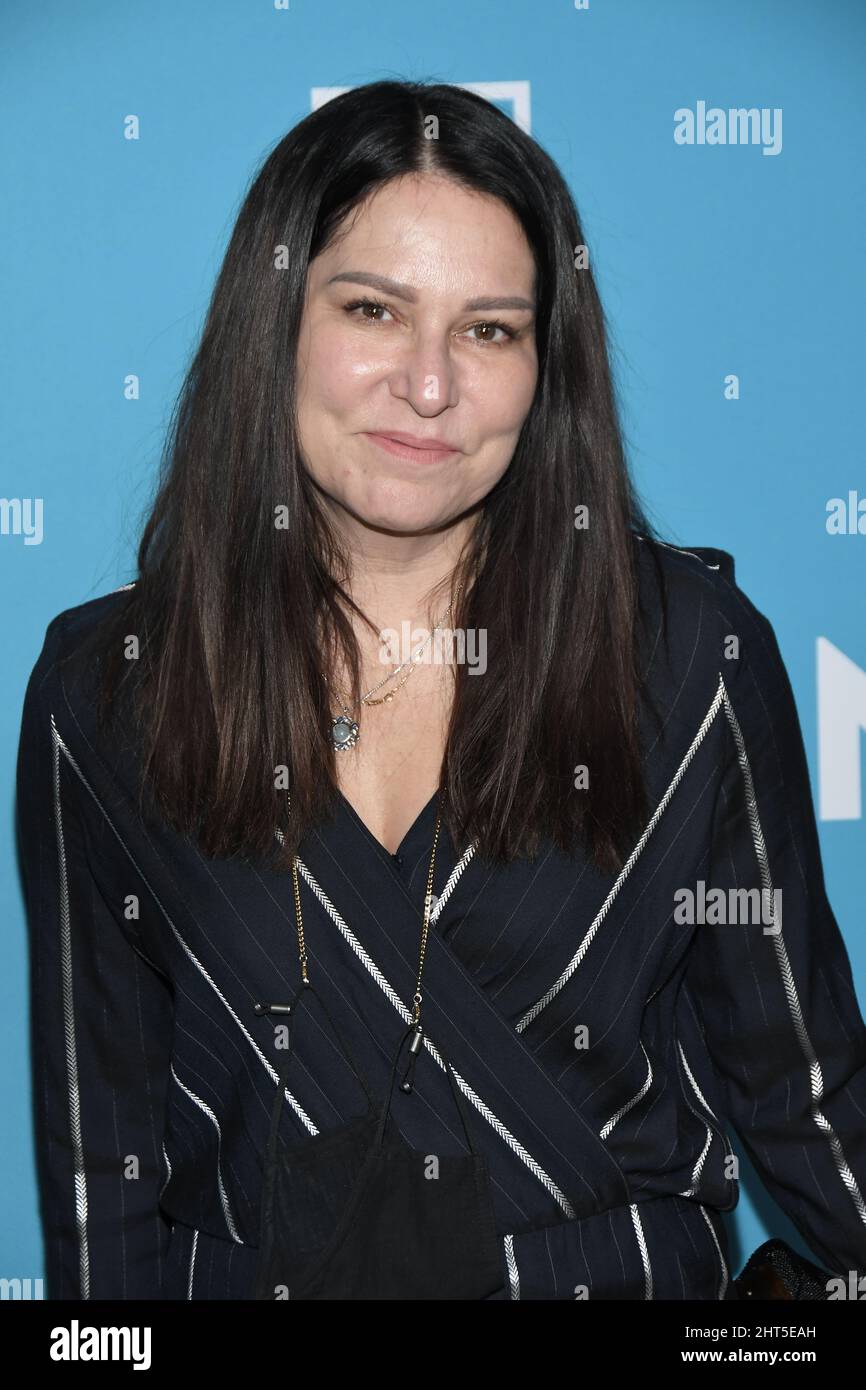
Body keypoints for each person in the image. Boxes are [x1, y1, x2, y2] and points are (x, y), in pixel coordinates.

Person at [16, 79, 866, 1302]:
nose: (428, 385)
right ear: (274, 323)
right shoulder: (107, 690)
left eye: (489, 330)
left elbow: (805, 1094)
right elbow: (101, 1156)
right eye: (372, 309)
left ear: (545, 370)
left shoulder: (687, 657)